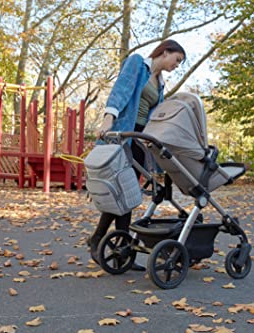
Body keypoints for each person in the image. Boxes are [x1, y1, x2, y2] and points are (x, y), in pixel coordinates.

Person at [89, 40, 186, 271]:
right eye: (177, 60)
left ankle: (123, 250)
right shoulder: (137, 64)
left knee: (129, 195)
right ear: (165, 52)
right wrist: (108, 118)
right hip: (124, 135)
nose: (177, 65)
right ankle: (98, 237)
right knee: (121, 192)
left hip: (141, 141)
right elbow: (121, 90)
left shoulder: (160, 84)